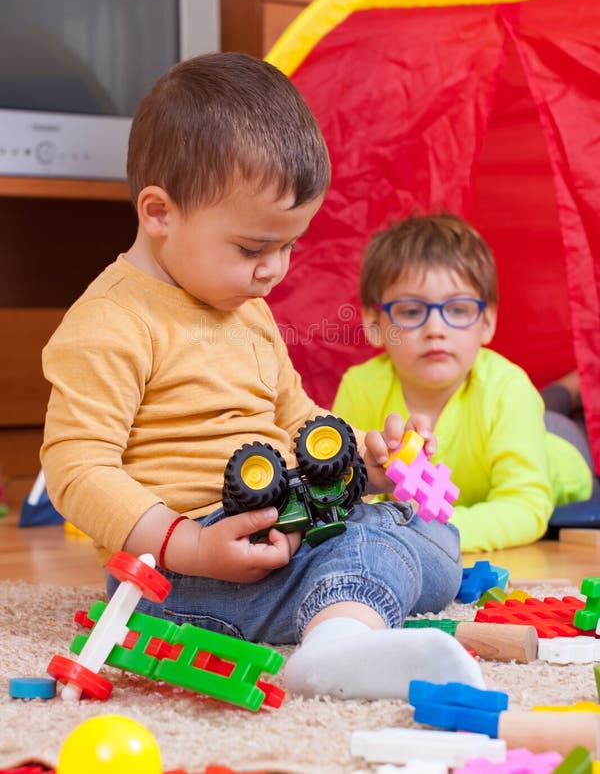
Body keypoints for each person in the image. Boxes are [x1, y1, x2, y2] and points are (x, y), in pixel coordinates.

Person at [41, 53, 483, 701]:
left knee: (423, 530)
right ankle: (336, 646)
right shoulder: (112, 323)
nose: (274, 269)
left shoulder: (247, 309)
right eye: (253, 248)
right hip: (183, 571)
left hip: (282, 526)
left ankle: (345, 617)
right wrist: (187, 543)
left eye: (290, 245)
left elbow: (298, 417)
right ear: (159, 214)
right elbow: (76, 465)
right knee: (373, 549)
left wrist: (361, 457)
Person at [333, 212, 593, 554]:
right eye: (412, 312)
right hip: (497, 424)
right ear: (374, 323)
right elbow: (342, 491)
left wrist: (437, 531)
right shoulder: (360, 386)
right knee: (534, 404)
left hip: (562, 451)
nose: (436, 329)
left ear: (486, 323)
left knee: (548, 414)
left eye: (457, 310)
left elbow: (527, 507)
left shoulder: (509, 389)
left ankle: (570, 390)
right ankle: (560, 392)